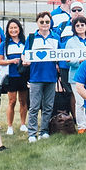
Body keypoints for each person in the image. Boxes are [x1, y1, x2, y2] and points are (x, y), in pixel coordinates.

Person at [26, 11, 62, 141]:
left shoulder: (56, 37)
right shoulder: (31, 38)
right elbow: (25, 54)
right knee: (34, 107)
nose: (45, 24)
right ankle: (32, 133)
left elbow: (61, 54)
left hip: (51, 77)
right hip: (36, 77)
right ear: (37, 23)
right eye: (42, 22)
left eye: (47, 22)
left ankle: (44, 131)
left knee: (48, 106)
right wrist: (25, 60)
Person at [61, 15, 86, 133]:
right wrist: (79, 61)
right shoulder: (70, 42)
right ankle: (81, 126)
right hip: (76, 76)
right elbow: (68, 61)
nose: (80, 27)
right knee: (80, 102)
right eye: (77, 25)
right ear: (74, 28)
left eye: (82, 25)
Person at [0, 18, 30, 136]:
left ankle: (23, 124)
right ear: (8, 30)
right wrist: (11, 61)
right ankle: (10, 126)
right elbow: (0, 61)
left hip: (23, 75)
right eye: (11, 28)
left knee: (23, 101)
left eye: (15, 27)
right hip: (11, 76)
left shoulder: (25, 42)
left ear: (19, 29)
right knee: (12, 101)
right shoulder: (4, 44)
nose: (13, 30)